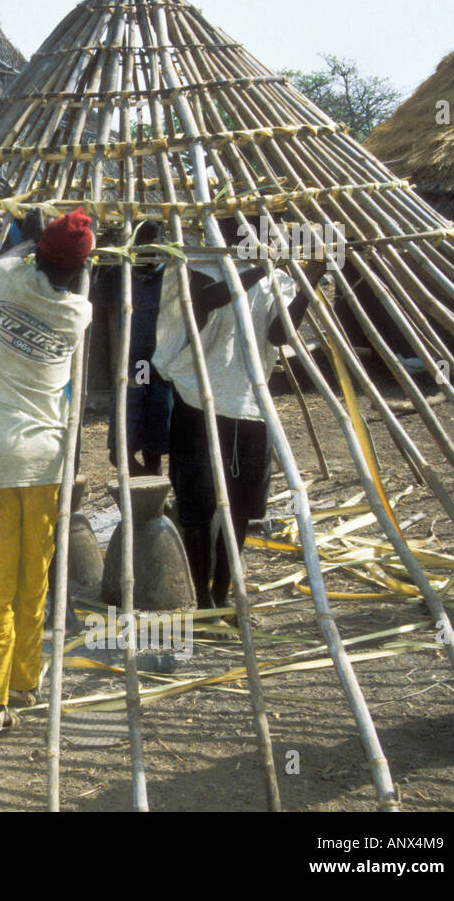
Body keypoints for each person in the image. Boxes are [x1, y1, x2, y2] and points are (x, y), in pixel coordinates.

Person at [152, 214, 325, 611]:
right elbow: (205, 304)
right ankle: (201, 597)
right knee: (197, 504)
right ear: (221, 226)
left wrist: (312, 274)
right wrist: (259, 271)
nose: (256, 231)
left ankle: (222, 591)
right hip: (199, 398)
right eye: (243, 224)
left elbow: (279, 334)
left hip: (249, 402)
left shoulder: (271, 274)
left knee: (242, 503)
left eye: (260, 224)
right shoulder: (194, 266)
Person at [0, 208, 94, 733]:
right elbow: (61, 270)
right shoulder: (79, 314)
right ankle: (24, 681)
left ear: (37, 251)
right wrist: (48, 244)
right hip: (46, 463)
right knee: (32, 579)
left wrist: (22, 238)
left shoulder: (0, 280)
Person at [92, 222, 173, 476]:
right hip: (135, 367)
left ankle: (151, 497)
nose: (149, 257)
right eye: (144, 250)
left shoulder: (171, 273)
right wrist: (103, 261)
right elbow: (95, 297)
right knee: (121, 451)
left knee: (154, 446)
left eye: (155, 250)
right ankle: (147, 490)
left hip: (160, 366)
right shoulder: (121, 274)